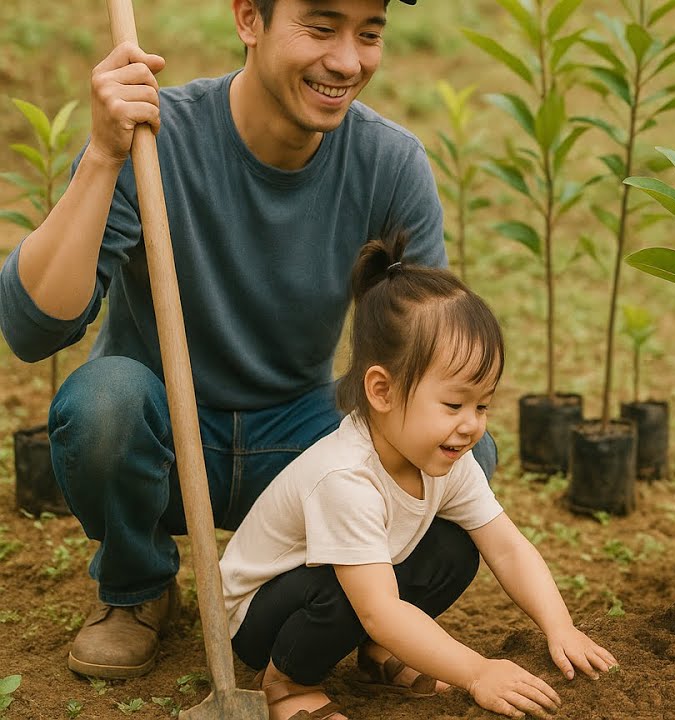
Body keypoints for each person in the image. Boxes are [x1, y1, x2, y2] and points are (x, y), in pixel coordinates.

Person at [0, 0, 499, 679]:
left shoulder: (388, 163)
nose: (347, 60)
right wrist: (101, 157)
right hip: (167, 441)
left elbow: (430, 353)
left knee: (458, 437)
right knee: (105, 402)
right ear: (248, 19)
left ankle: (370, 615)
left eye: (369, 34)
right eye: (321, 28)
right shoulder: (153, 140)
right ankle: (137, 588)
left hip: (303, 446)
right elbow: (33, 331)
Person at [220, 234, 617, 720]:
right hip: (259, 616)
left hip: (341, 591)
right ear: (382, 391)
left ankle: (377, 655)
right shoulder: (345, 477)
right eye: (454, 404)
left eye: (482, 405)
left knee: (454, 549)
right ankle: (288, 685)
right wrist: (476, 671)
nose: (471, 424)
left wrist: (560, 625)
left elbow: (507, 547)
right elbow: (378, 609)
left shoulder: (444, 458)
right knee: (356, 596)